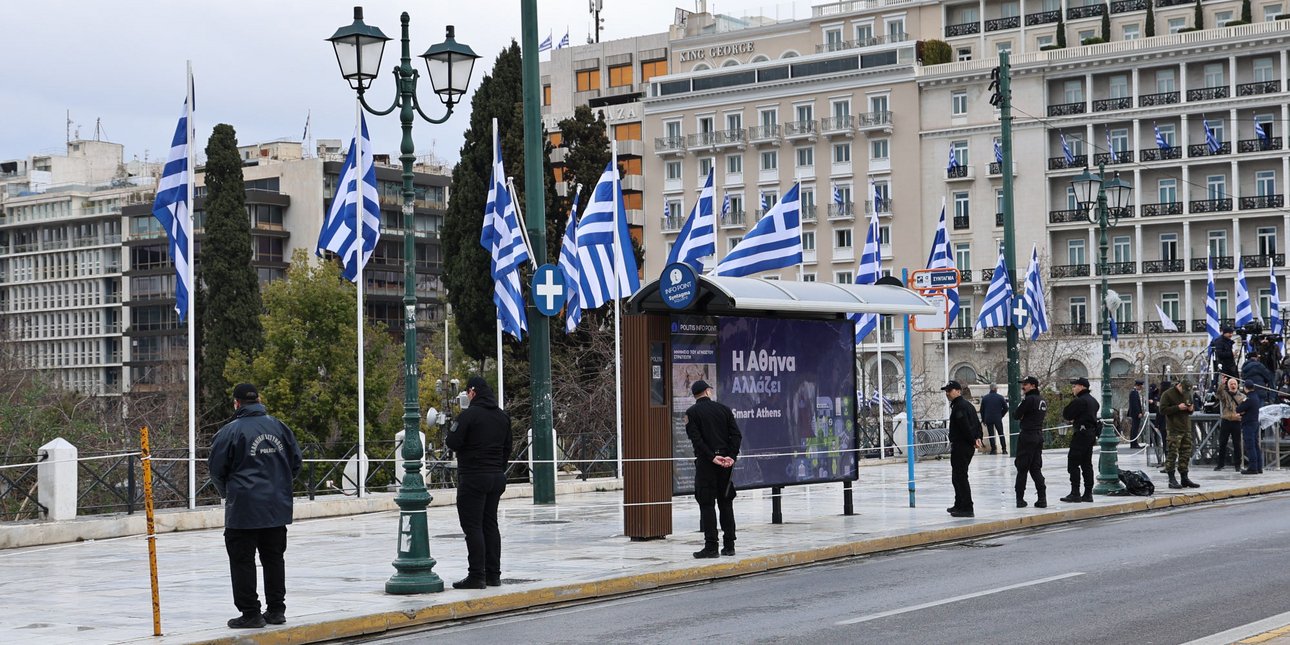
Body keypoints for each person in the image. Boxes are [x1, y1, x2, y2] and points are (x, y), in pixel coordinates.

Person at [208, 383, 303, 629]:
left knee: (242, 561)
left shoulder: (229, 432)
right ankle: (276, 610)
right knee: (273, 558)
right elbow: (295, 463)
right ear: (259, 400)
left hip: (243, 510)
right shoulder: (280, 427)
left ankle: (250, 613)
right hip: (276, 509)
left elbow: (217, 471)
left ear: (236, 403)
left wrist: (228, 494)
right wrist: (277, 487)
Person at [445, 375, 513, 589]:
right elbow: (507, 448)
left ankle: (477, 576)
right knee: (490, 525)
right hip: (496, 477)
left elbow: (452, 442)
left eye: (467, 392)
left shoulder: (469, 415)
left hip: (473, 476)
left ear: (472, 392)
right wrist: (497, 467)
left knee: (473, 527)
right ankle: (494, 575)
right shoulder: (503, 417)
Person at [685, 379, 742, 558]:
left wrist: (711, 457)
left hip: (706, 464)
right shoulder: (724, 410)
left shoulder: (691, 413)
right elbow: (736, 435)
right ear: (708, 392)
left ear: (695, 395)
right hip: (725, 464)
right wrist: (730, 457)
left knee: (707, 503)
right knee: (726, 502)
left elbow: (696, 440)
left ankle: (711, 547)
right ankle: (729, 545)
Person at [943, 381, 983, 518]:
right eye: (946, 391)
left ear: (958, 391)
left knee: (960, 477)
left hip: (961, 446)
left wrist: (973, 440)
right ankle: (959, 504)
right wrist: (977, 438)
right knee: (957, 476)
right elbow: (977, 424)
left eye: (950, 390)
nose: (947, 393)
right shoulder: (967, 405)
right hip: (966, 445)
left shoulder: (959, 407)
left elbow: (965, 426)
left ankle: (967, 507)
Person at [1061, 377, 1099, 503]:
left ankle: (1075, 492)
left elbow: (1067, 414)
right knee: (1087, 464)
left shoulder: (1080, 401)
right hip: (1090, 434)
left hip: (1080, 435)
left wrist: (1074, 418)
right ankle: (1088, 493)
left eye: (1075, 386)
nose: (1073, 389)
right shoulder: (1094, 401)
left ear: (1082, 387)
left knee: (1073, 463)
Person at [1013, 376, 1047, 509]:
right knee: (1035, 468)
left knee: (1022, 468)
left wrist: (1021, 414)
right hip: (1038, 435)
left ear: (1033, 386)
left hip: (1027, 436)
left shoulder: (1029, 400)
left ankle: (1020, 499)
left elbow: (1016, 415)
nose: (1023, 387)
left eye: (1026, 384)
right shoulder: (1041, 400)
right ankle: (1042, 498)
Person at [1160, 378, 1200, 489]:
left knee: (1186, 453)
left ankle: (1184, 477)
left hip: (1186, 427)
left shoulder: (1187, 393)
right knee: (1172, 453)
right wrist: (1177, 407)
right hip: (1174, 428)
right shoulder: (1167, 394)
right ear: (1179, 386)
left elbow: (1191, 408)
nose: (1185, 393)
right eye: (1184, 390)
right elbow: (1162, 410)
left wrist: (1191, 408)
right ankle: (1171, 478)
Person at [1214, 375, 1244, 472]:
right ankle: (1220, 464)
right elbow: (1218, 394)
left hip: (1236, 421)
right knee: (1222, 443)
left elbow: (1246, 408)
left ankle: (1237, 465)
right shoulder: (1225, 394)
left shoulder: (1242, 396)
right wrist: (1221, 384)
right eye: (1231, 384)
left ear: (1237, 385)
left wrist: (1241, 415)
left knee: (1237, 444)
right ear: (1228, 385)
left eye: (1234, 383)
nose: (1233, 385)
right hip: (1226, 420)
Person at [1237, 381, 1264, 475]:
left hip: (1248, 423)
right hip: (1255, 422)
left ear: (1245, 388)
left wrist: (1242, 411)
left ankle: (1253, 467)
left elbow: (1238, 409)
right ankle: (1259, 467)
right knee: (1256, 445)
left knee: (1250, 446)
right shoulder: (1256, 397)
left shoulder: (1248, 399)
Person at [979, 384, 1008, 455]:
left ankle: (993, 450)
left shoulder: (985, 398)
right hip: (997, 418)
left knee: (991, 434)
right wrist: (1001, 415)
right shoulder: (1000, 397)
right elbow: (1006, 408)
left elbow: (982, 410)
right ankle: (1004, 449)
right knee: (1001, 434)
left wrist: (983, 419)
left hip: (988, 418)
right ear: (996, 389)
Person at [1127, 380, 1144, 450]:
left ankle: (1134, 443)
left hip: (1135, 413)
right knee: (1134, 428)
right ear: (1138, 385)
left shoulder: (1134, 392)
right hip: (1135, 414)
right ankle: (1134, 443)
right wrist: (1138, 413)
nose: (1141, 388)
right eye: (1140, 386)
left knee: (1135, 428)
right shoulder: (1134, 393)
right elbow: (1135, 404)